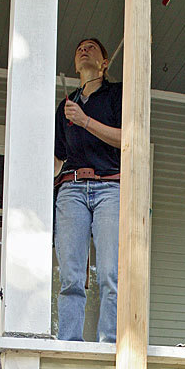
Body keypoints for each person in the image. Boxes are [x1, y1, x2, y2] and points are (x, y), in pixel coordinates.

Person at [54, 38, 122, 343]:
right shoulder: (66, 105)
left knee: (110, 273)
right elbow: (58, 156)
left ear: (105, 63)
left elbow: (128, 138)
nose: (84, 49)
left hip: (110, 186)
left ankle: (109, 343)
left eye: (92, 47)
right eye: (79, 47)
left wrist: (85, 121)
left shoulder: (117, 94)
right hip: (71, 189)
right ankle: (69, 341)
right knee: (71, 275)